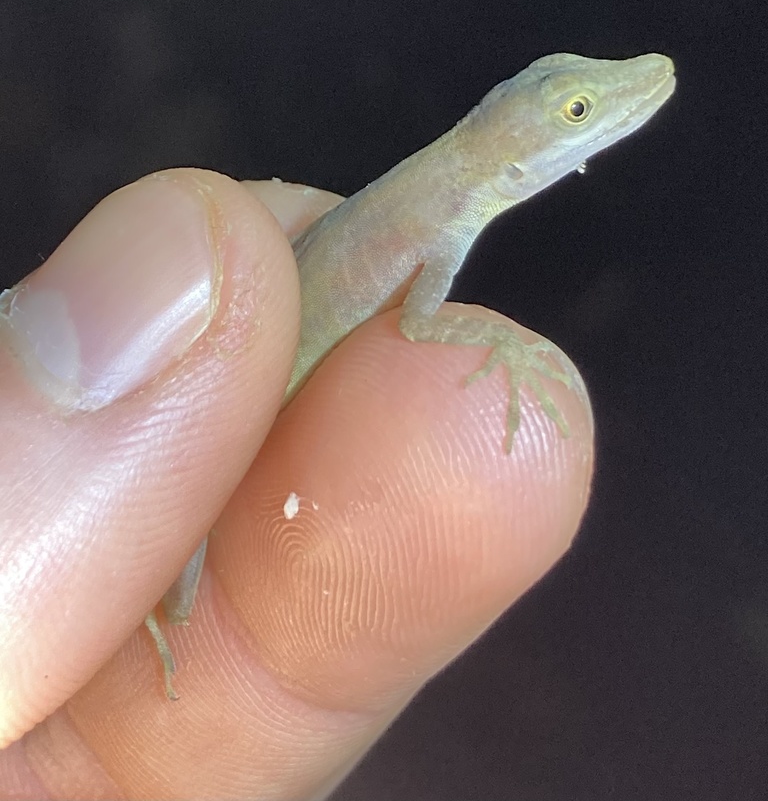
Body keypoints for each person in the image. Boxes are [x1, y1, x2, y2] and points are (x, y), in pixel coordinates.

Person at [0, 170, 592, 798]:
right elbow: (419, 326)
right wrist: (502, 339)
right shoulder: (450, 209)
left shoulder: (435, 188)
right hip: (211, 418)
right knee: (181, 582)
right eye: (576, 113)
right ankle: (147, 614)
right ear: (515, 163)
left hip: (237, 398)